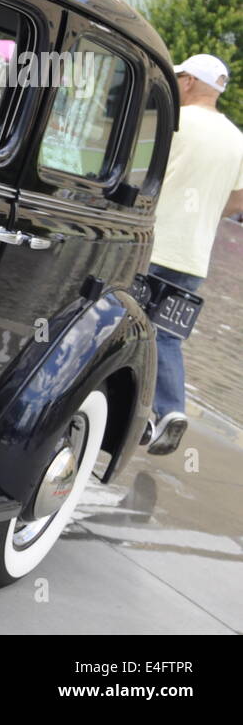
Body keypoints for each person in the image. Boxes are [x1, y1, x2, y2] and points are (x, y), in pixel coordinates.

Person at [145, 53, 243, 454]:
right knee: (166, 334)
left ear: (187, 82)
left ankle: (133, 408)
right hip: (192, 258)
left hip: (153, 245)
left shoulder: (176, 120)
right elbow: (237, 202)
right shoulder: (238, 141)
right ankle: (170, 409)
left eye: (180, 75)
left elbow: (141, 170)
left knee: (124, 323)